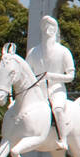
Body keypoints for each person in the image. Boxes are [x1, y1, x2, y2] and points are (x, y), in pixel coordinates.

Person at [26, 14, 74, 150]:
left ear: (56, 29)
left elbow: (71, 76)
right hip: (38, 90)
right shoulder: (33, 52)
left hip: (56, 89)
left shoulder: (64, 51)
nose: (48, 29)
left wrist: (51, 76)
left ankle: (63, 139)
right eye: (45, 26)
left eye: (52, 26)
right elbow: (26, 72)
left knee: (57, 109)